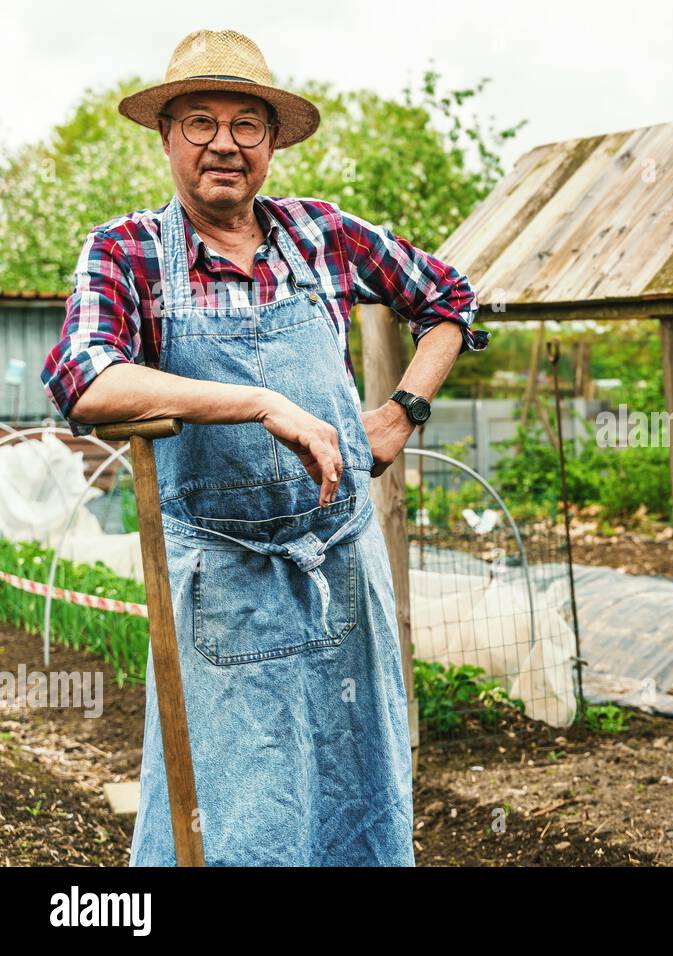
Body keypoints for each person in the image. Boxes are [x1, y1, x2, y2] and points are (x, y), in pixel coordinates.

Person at [41, 28, 490, 865]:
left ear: (273, 141)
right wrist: (257, 402)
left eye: (248, 124)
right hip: (224, 581)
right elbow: (84, 378)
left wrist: (402, 411)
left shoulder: (322, 234)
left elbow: (451, 300)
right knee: (238, 813)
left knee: (360, 794)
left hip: (342, 570)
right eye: (201, 122)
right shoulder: (128, 251)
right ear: (167, 136)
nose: (225, 144)